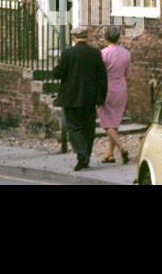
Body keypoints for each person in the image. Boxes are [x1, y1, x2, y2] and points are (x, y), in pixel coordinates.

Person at [52, 24, 109, 171]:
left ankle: (82, 154)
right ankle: (85, 158)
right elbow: (102, 77)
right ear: (86, 37)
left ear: (74, 37)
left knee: (73, 127)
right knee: (88, 128)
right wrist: (101, 98)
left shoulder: (68, 53)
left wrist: (56, 68)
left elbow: (58, 73)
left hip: (71, 98)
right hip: (90, 99)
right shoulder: (95, 53)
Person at [96, 26, 132, 164]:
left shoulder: (103, 54)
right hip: (121, 87)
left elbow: (99, 73)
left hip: (107, 87)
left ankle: (122, 148)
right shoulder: (126, 53)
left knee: (106, 122)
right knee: (115, 121)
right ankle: (110, 154)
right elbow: (128, 73)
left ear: (106, 38)